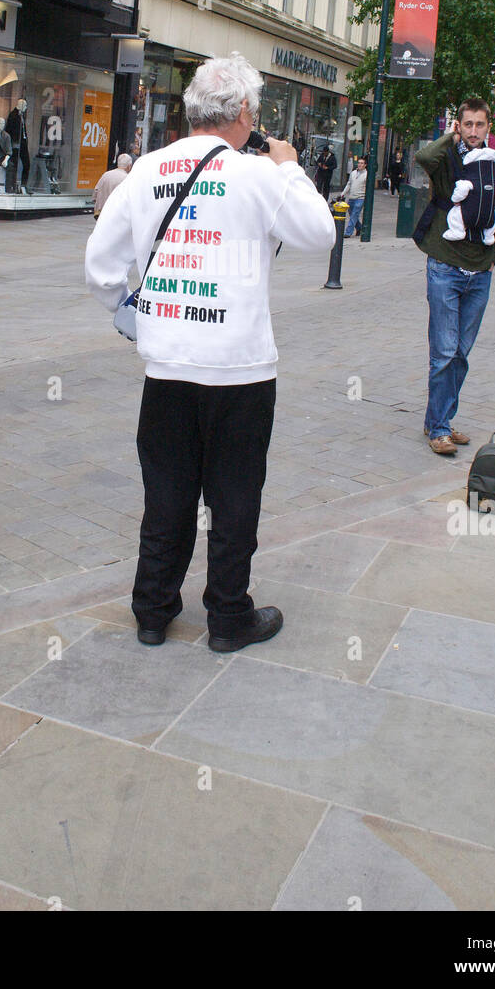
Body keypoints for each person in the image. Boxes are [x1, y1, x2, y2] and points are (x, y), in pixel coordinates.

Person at [84, 53, 335, 651]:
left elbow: (99, 268)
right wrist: (292, 168)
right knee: (234, 500)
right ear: (244, 112)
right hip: (241, 370)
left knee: (165, 498)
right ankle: (227, 617)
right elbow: (321, 233)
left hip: (167, 367)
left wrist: (141, 316)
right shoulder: (259, 176)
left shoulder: (146, 171)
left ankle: (151, 611)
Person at [414, 99, 495, 457]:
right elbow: (423, 158)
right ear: (459, 126)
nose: (472, 131)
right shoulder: (446, 159)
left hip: (479, 271)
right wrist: (450, 138)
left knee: (461, 354)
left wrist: (494, 256)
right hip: (445, 267)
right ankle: (438, 428)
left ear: (488, 128)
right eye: (467, 124)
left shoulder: (494, 163)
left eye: (479, 125)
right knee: (445, 352)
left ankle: (440, 419)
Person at [92, 153, 132, 218]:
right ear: (129, 166)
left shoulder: (106, 174)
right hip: (116, 214)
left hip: (101, 213)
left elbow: (96, 192)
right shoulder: (127, 179)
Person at [341, 156, 368, 238]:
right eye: (359, 163)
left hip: (360, 198)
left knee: (354, 215)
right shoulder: (353, 173)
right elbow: (349, 184)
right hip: (351, 197)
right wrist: (343, 193)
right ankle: (359, 228)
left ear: (365, 165)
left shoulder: (367, 175)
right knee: (352, 214)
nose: (359, 164)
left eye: (362, 163)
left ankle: (348, 232)